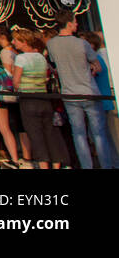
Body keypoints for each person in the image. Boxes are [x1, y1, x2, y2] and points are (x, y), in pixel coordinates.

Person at [47, 11, 116, 168]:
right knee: (99, 134)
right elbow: (96, 65)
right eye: (75, 21)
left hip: (70, 94)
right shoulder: (81, 43)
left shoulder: (52, 44)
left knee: (79, 134)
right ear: (69, 23)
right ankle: (106, 166)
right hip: (89, 92)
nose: (77, 24)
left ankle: (87, 166)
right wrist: (91, 69)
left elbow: (55, 65)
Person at [11, 28, 69, 169]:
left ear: (24, 42)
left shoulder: (21, 58)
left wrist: (15, 86)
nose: (13, 43)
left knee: (36, 135)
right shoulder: (41, 57)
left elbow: (16, 81)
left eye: (16, 40)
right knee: (50, 134)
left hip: (28, 99)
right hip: (43, 97)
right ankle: (56, 165)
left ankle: (44, 166)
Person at [0, 25, 30, 166]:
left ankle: (15, 158)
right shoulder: (14, 51)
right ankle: (24, 156)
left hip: (6, 92)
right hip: (15, 92)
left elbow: (7, 75)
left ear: (2, 36)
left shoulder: (5, 52)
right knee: (18, 126)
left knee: (5, 127)